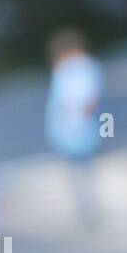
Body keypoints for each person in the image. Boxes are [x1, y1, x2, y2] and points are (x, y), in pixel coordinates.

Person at [44, 27, 103, 227]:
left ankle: (86, 205)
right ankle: (88, 204)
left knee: (77, 170)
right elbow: (91, 98)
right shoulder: (87, 67)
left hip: (67, 131)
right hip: (81, 129)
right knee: (84, 169)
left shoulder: (66, 70)